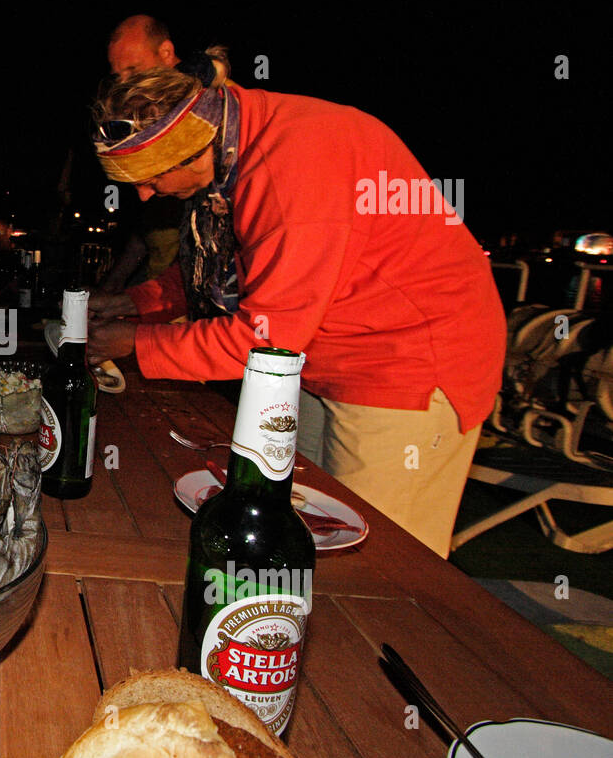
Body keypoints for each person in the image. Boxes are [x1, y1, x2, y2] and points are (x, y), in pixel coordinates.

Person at [87, 59, 505, 557]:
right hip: (324, 354)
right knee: (297, 521)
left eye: (152, 177)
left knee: (373, 559)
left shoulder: (291, 173)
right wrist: (134, 302)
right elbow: (223, 259)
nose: (145, 193)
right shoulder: (232, 137)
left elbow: (267, 340)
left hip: (408, 362)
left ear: (193, 150)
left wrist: (136, 342)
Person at [96, 15, 186, 293]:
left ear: (167, 53)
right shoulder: (143, 113)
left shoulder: (205, 109)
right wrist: (114, 286)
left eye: (133, 71)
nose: (124, 84)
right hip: (162, 287)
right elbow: (148, 221)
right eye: (118, 75)